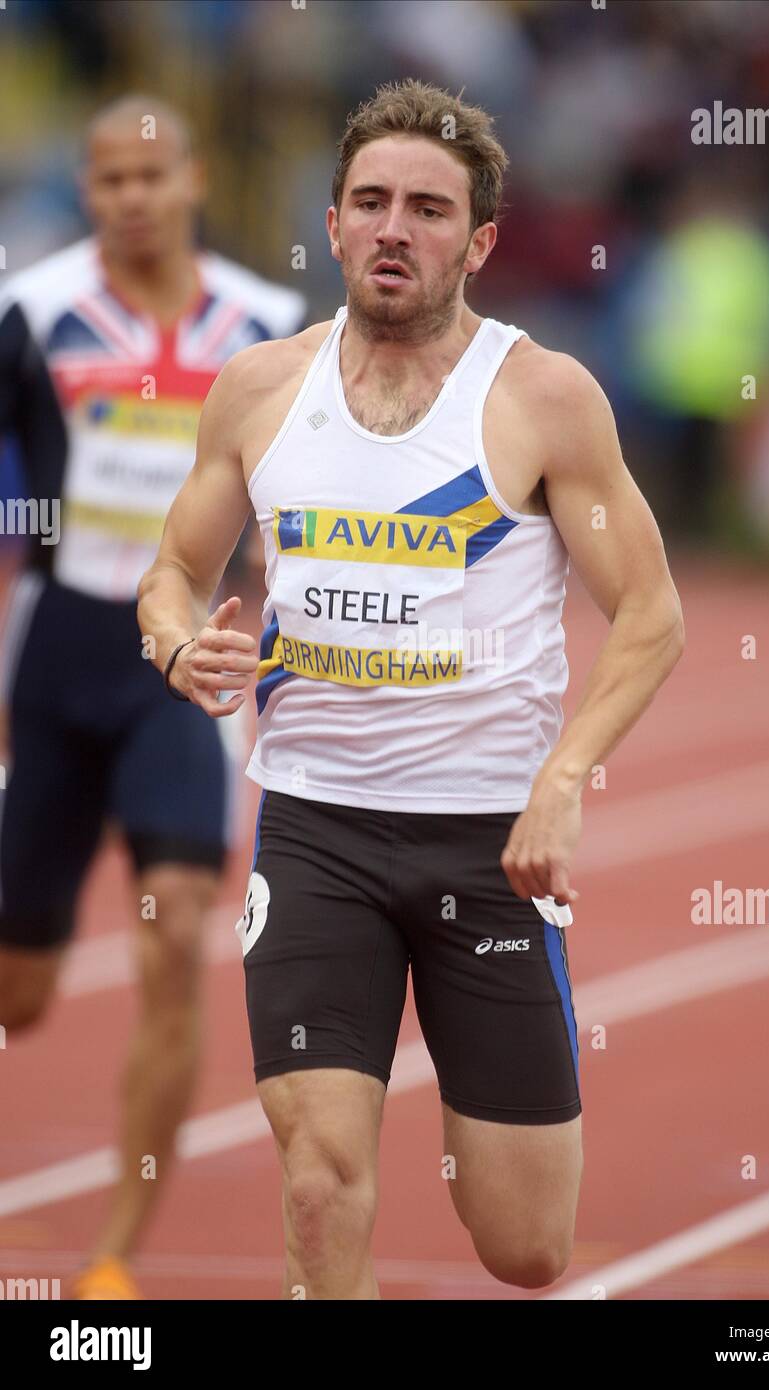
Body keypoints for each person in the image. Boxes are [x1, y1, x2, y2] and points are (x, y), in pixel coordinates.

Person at [137, 78, 684, 1299]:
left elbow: (651, 613)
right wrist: (180, 644)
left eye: (429, 210)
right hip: (315, 831)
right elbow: (172, 571)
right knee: (320, 1179)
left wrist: (561, 778)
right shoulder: (262, 389)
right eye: (371, 202)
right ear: (330, 224)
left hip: (486, 841)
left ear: (479, 242)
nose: (396, 228)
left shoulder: (543, 398)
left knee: (526, 1245)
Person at [0, 94, 306, 1300]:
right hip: (65, 651)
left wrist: (292, 655)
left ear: (191, 182)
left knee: (177, 931)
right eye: (108, 178)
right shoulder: (29, 312)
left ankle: (114, 1255)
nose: (131, 197)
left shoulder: (272, 328)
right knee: (19, 994)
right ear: (88, 190)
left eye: (151, 176)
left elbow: (291, 523)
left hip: (192, 663)